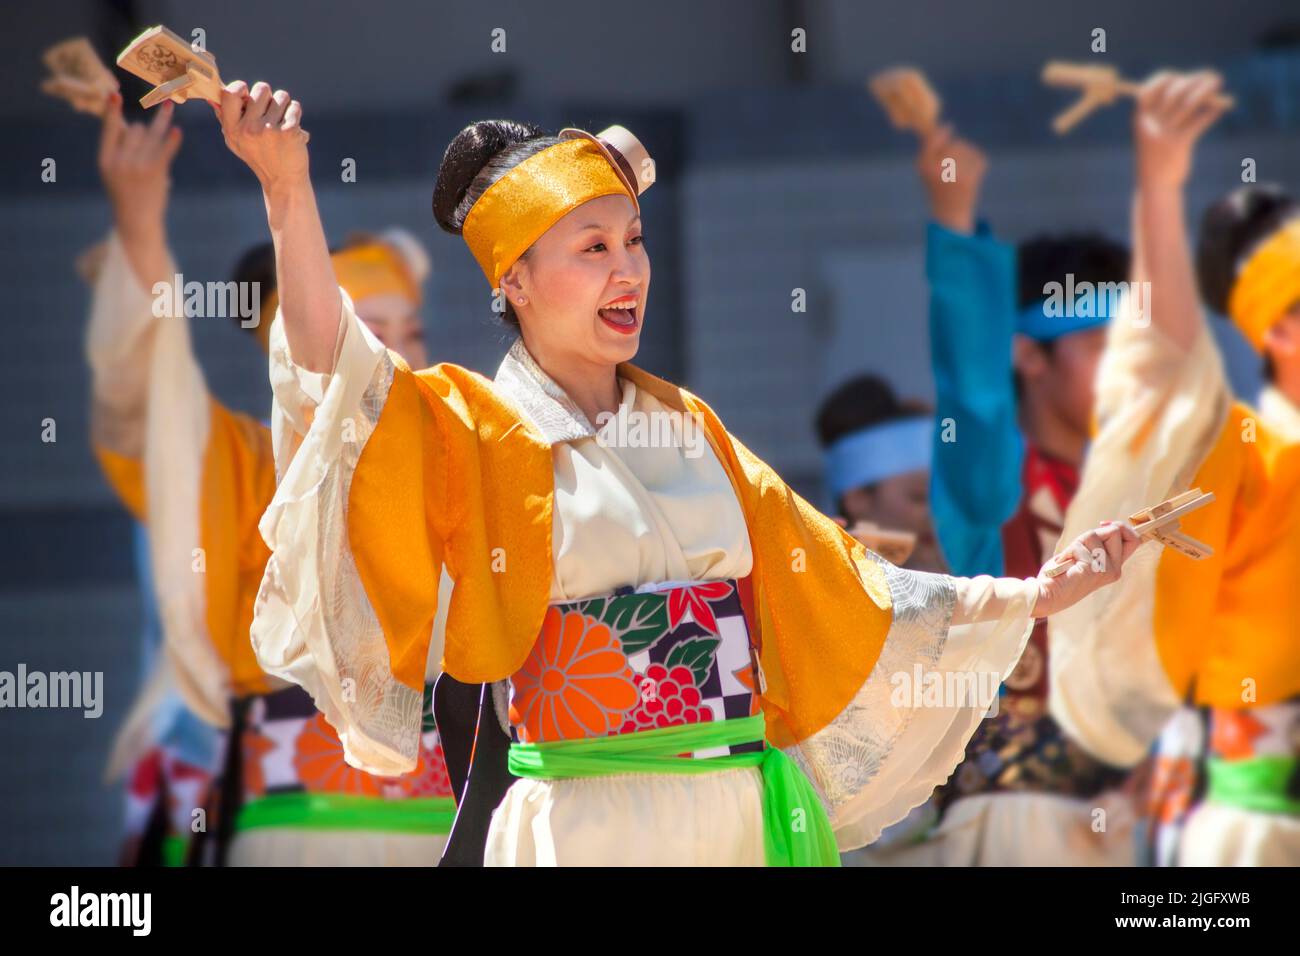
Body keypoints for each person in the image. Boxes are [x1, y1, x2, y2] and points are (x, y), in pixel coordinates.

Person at [216, 77, 1141, 866]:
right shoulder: (469, 428)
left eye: (635, 239)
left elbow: (847, 588)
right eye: (593, 248)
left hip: (734, 807)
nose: (629, 269)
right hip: (586, 818)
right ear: (516, 282)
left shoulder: (690, 427)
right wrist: (288, 189)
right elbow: (337, 376)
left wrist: (1032, 594)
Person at [87, 92, 453, 865]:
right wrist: (141, 229)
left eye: (409, 332)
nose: (394, 354)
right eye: (370, 332)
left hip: (462, 822)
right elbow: (143, 400)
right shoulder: (247, 463)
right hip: (300, 825)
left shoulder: (465, 451)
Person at [1051, 69, 1300, 867]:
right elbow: (1163, 372)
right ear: (1283, 329)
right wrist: (1160, 185)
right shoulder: (1254, 454)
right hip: (1256, 827)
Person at [870, 121, 1136, 864]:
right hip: (1023, 820)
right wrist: (955, 222)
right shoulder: (996, 487)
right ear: (1029, 354)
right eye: (1097, 348)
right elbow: (976, 400)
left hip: (1132, 816)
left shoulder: (1132, 483)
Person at [814, 375, 943, 572]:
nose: (937, 511)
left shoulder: (967, 574)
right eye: (920, 497)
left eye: (945, 498)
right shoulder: (820, 580)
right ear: (858, 498)